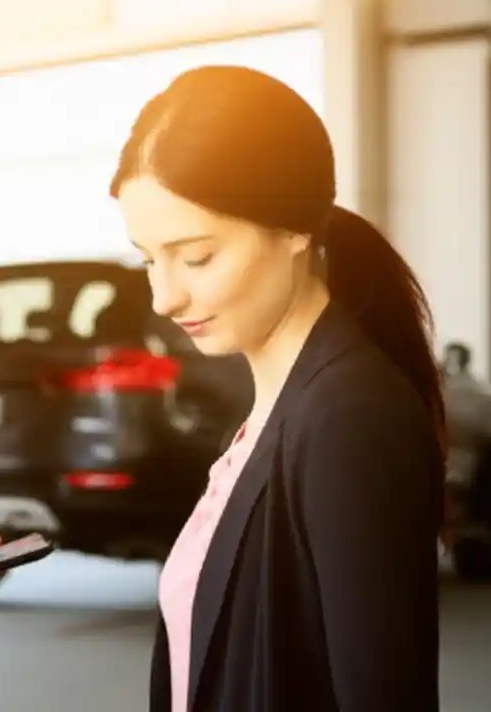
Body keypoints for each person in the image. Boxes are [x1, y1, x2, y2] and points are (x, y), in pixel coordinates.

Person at [111, 66, 445, 711]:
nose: (164, 296)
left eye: (197, 256)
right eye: (150, 257)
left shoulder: (349, 419)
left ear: (294, 227)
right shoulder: (276, 410)